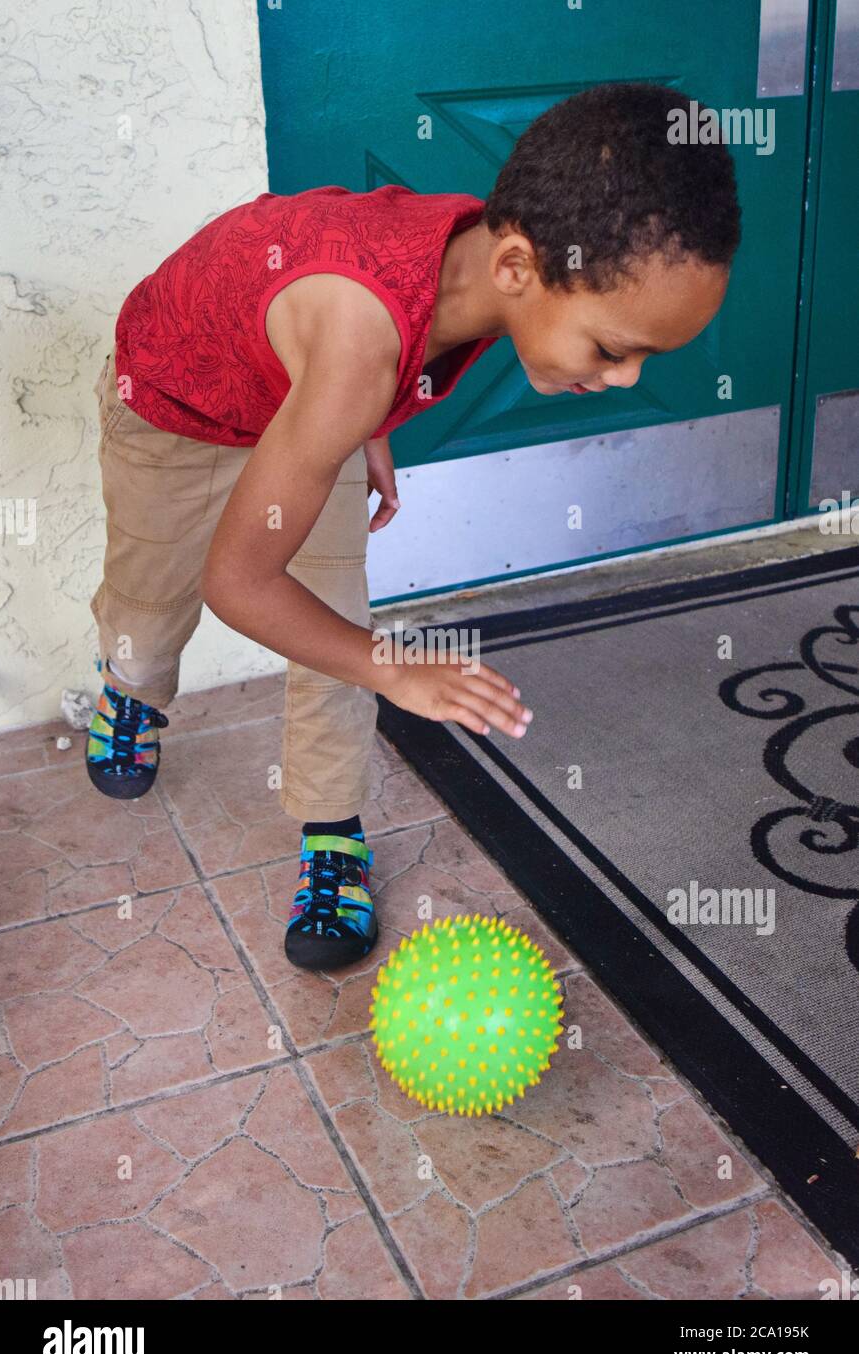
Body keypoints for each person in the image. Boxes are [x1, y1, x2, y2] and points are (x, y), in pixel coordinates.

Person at [86, 81, 741, 972]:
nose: (625, 378)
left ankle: (332, 832)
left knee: (334, 622)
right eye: (612, 348)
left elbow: (362, 321)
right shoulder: (359, 347)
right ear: (517, 268)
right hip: (174, 408)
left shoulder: (476, 244)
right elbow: (236, 583)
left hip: (304, 401)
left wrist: (366, 424)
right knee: (150, 598)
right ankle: (131, 689)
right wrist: (396, 670)